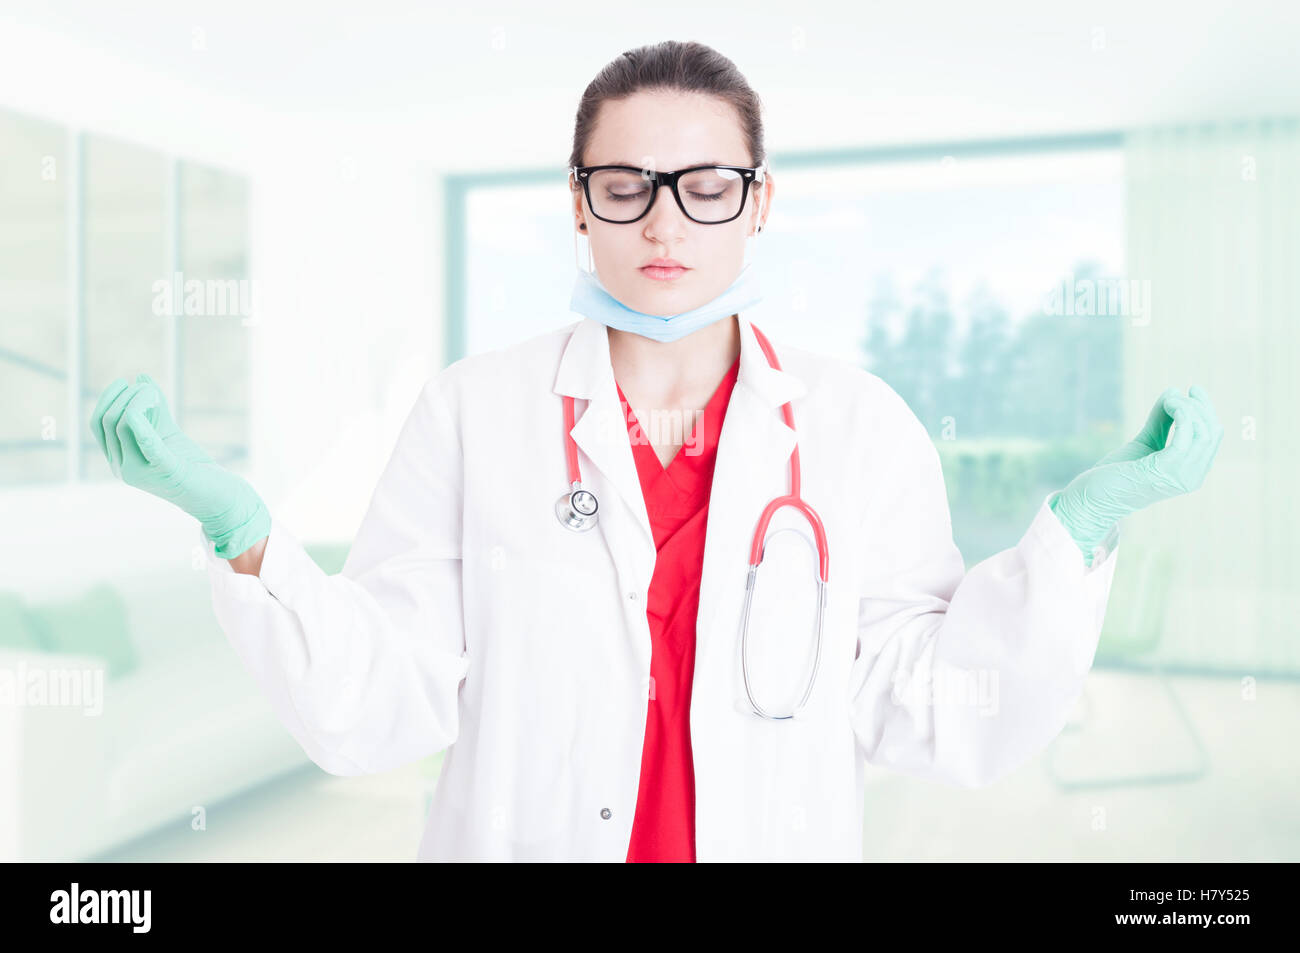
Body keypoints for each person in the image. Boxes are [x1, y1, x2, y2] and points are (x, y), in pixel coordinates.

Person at [89, 40, 1223, 863]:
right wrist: (246, 537)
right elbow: (379, 696)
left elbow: (923, 704)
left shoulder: (854, 424)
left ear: (758, 202)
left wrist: (1075, 531)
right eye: (625, 186)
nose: (663, 222)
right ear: (579, 204)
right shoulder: (475, 412)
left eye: (705, 186)